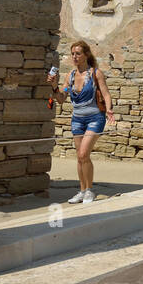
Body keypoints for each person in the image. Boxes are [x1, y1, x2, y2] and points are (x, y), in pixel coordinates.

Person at [48, 40, 114, 204]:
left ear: (86, 55)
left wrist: (110, 109)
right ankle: (82, 190)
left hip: (95, 117)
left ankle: (90, 190)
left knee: (84, 153)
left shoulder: (95, 73)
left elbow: (105, 93)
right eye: (72, 54)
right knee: (79, 157)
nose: (75, 57)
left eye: (78, 53)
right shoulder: (69, 76)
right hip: (77, 119)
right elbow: (61, 99)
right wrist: (55, 87)